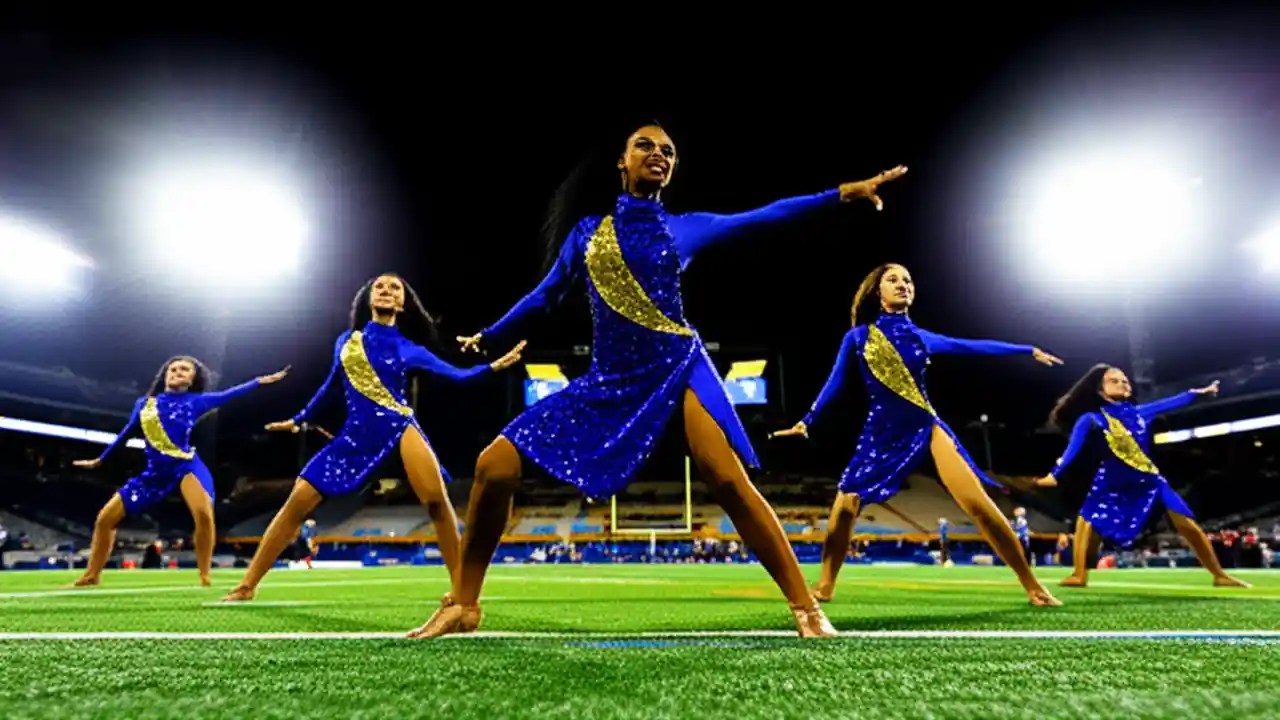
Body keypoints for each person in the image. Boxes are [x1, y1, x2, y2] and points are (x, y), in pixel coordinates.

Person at [409, 122, 907, 639]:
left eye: (668, 151)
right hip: (610, 382)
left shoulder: (684, 228)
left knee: (729, 479)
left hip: (678, 364)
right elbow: (543, 297)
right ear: (621, 162)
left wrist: (843, 194)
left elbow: (765, 217)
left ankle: (806, 608)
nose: (658, 154)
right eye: (645, 145)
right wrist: (488, 335)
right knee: (493, 466)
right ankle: (464, 606)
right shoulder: (587, 234)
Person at [774, 263, 1063, 606]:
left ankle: (1033, 586)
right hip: (881, 432)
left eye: (908, 280)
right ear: (876, 292)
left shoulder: (923, 338)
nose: (903, 285)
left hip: (927, 427)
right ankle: (824, 585)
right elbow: (835, 382)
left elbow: (974, 347)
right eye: (893, 280)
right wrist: (808, 420)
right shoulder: (858, 338)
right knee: (846, 504)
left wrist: (1025, 350)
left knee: (979, 504)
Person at [223, 273, 525, 601]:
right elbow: (329, 388)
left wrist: (494, 367)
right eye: (379, 286)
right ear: (370, 299)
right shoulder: (347, 342)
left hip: (399, 426)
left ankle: (461, 592)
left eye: (394, 287)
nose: (386, 290)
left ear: (403, 303)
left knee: (438, 504)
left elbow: (458, 377)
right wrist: (298, 420)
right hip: (354, 436)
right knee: (295, 504)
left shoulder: (410, 348)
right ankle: (246, 586)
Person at [70, 357, 288, 587]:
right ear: (165, 375)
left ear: (193, 378)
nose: (177, 372)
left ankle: (204, 575)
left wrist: (258, 382)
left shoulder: (197, 402)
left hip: (185, 464)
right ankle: (92, 575)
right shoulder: (145, 405)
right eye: (172, 369)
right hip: (154, 473)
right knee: (105, 519)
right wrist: (100, 460)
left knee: (204, 514)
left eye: (184, 369)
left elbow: (229, 395)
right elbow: (125, 434)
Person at [1036, 365, 1249, 588]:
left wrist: (1198, 394)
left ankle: (1218, 574)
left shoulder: (1139, 413)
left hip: (1149, 479)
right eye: (1114, 381)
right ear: (1100, 391)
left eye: (1125, 381)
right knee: (1087, 521)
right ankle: (1080, 574)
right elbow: (1073, 448)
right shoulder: (1092, 419)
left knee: (1185, 520)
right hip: (1112, 482)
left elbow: (1169, 403)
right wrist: (1054, 474)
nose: (1122, 383)